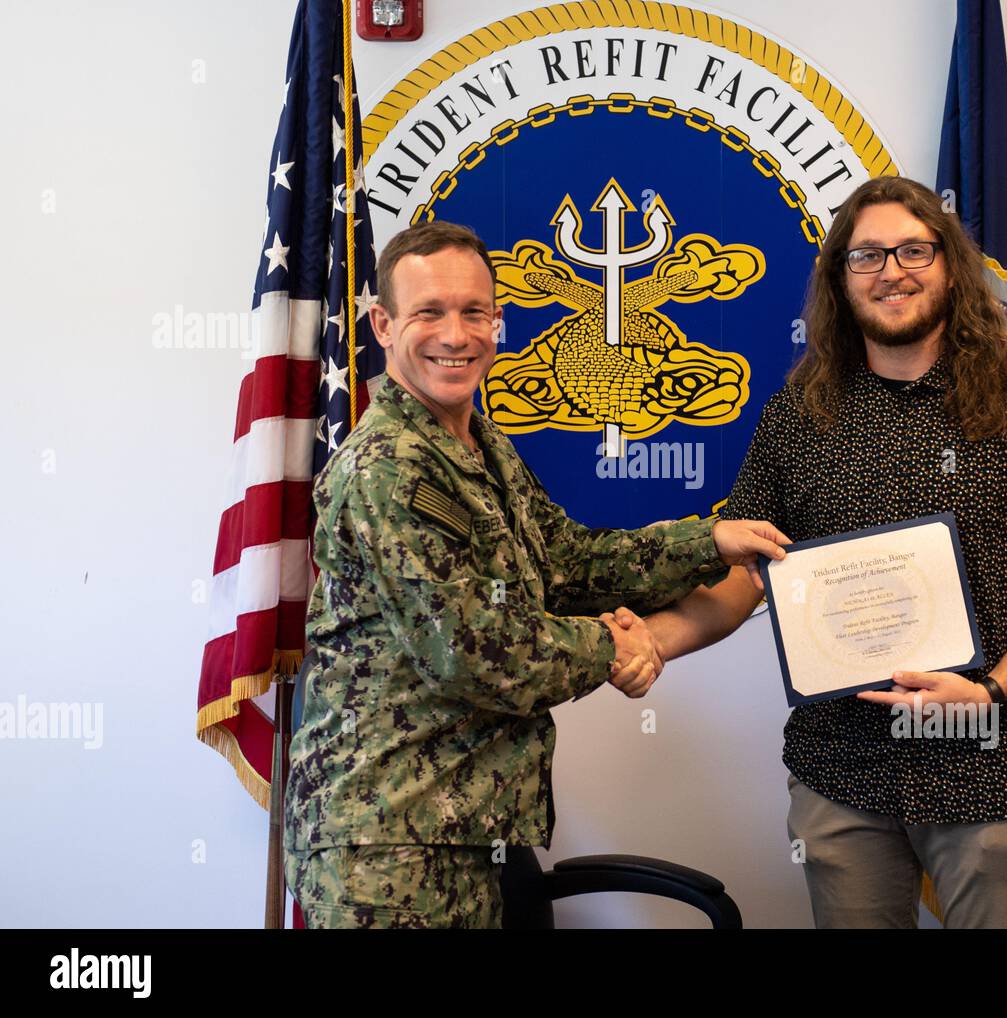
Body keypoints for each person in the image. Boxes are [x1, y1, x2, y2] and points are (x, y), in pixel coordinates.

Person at [607, 177, 1007, 929]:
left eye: (913, 250)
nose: (892, 270)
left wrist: (991, 692)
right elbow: (743, 576)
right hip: (842, 778)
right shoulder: (798, 415)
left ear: (951, 265)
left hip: (988, 764)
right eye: (867, 256)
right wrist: (652, 643)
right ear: (839, 279)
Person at [282, 220, 789, 929]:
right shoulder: (388, 467)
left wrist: (709, 540)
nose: (455, 335)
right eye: (428, 313)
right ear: (384, 325)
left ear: (499, 321)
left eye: (473, 312)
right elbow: (474, 652)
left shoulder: (480, 443)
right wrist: (615, 648)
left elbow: (569, 562)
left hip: (467, 833)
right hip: (388, 847)